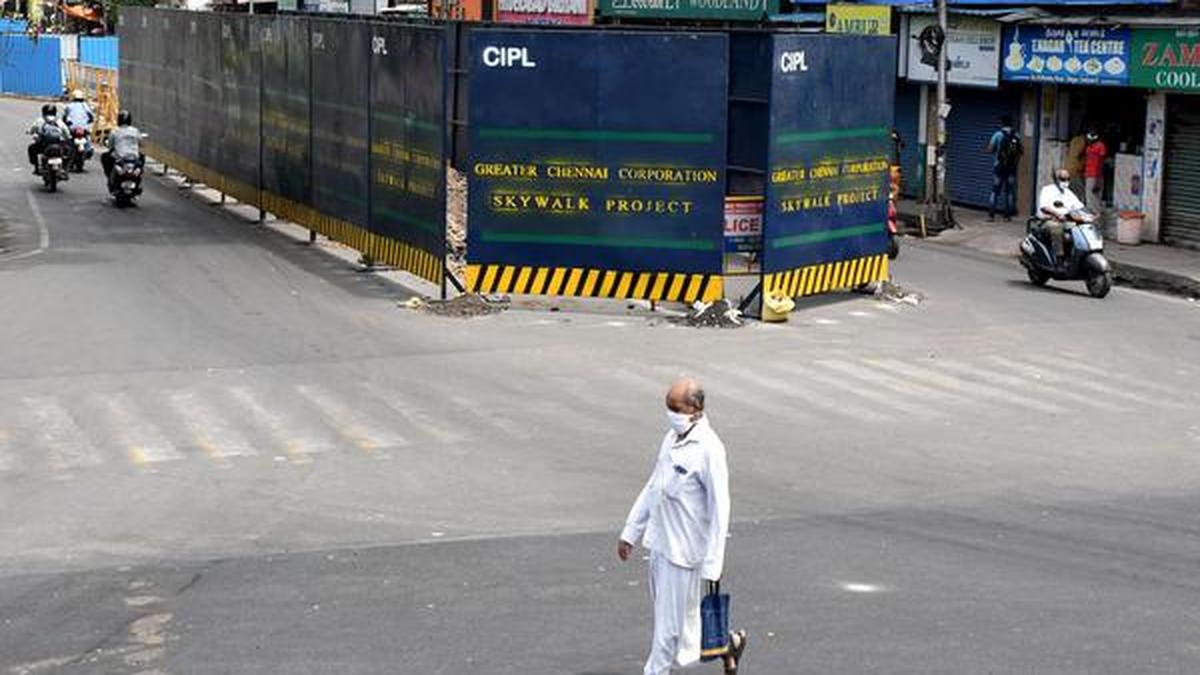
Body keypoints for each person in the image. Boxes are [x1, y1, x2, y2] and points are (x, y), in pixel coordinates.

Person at [618, 377, 747, 675]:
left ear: (696, 409)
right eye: (668, 408)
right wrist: (631, 531)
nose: (671, 414)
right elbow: (655, 486)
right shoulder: (671, 439)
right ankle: (727, 644)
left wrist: (714, 563)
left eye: (676, 408)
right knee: (681, 624)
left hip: (685, 556)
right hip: (661, 546)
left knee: (669, 632)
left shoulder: (709, 449)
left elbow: (720, 509)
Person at [1038, 168, 1086, 261]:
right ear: (1057, 179)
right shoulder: (1047, 190)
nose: (1066, 182)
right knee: (1056, 228)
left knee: (1082, 229)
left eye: (1068, 179)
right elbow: (1043, 207)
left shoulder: (1069, 193)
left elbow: (1079, 207)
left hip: (1067, 221)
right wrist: (1056, 214)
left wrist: (1089, 215)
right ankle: (1058, 258)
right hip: (1049, 220)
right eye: (1063, 179)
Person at [985, 115, 1022, 222]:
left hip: (999, 167)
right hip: (1011, 169)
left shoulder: (997, 134)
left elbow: (990, 149)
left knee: (995, 191)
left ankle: (991, 216)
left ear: (1002, 123)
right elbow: (1019, 152)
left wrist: (992, 150)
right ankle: (1007, 217)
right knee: (1009, 192)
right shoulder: (1016, 135)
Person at [101, 109, 144, 179]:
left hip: (119, 157)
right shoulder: (135, 131)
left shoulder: (114, 131)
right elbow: (141, 143)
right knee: (142, 158)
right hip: (134, 157)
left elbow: (110, 145)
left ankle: (109, 176)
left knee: (105, 156)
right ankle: (139, 177)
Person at [27, 103, 69, 174]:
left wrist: (29, 132)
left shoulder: (40, 120)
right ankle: (64, 168)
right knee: (67, 151)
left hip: (44, 144)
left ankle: (37, 167)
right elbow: (66, 132)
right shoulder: (59, 121)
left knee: (31, 148)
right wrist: (67, 137)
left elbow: (33, 129)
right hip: (57, 143)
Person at [1084, 129, 1108, 212]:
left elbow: (1100, 162)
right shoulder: (1089, 147)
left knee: (1094, 198)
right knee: (1090, 197)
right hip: (1089, 174)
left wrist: (1097, 178)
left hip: (1095, 175)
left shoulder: (1100, 146)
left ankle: (1096, 216)